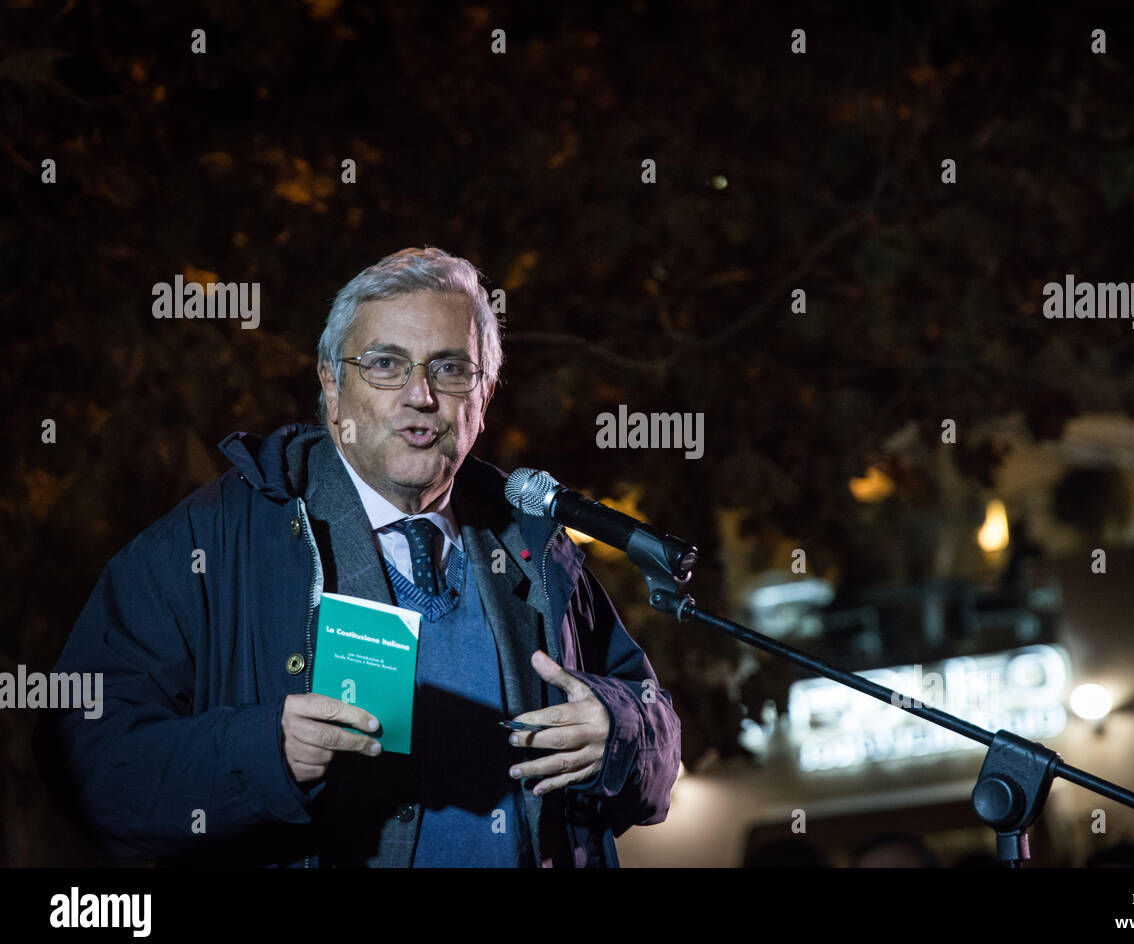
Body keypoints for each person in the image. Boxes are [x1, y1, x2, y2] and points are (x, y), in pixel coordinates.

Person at [34, 247, 681, 867]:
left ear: (483, 397)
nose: (420, 395)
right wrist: (265, 754)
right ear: (333, 386)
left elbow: (657, 733)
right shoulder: (217, 539)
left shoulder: (535, 544)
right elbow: (82, 763)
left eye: (451, 367)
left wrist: (619, 734)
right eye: (386, 364)